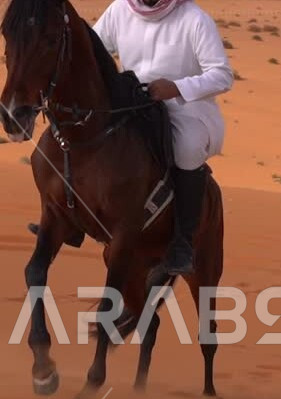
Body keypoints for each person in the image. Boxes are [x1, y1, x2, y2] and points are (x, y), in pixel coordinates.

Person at [94, 0, 233, 275]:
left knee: (187, 148)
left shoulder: (194, 19)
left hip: (187, 107)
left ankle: (183, 242)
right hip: (133, 104)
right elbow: (92, 49)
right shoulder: (119, 10)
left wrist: (176, 87)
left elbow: (222, 75)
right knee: (96, 135)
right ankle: (71, 219)